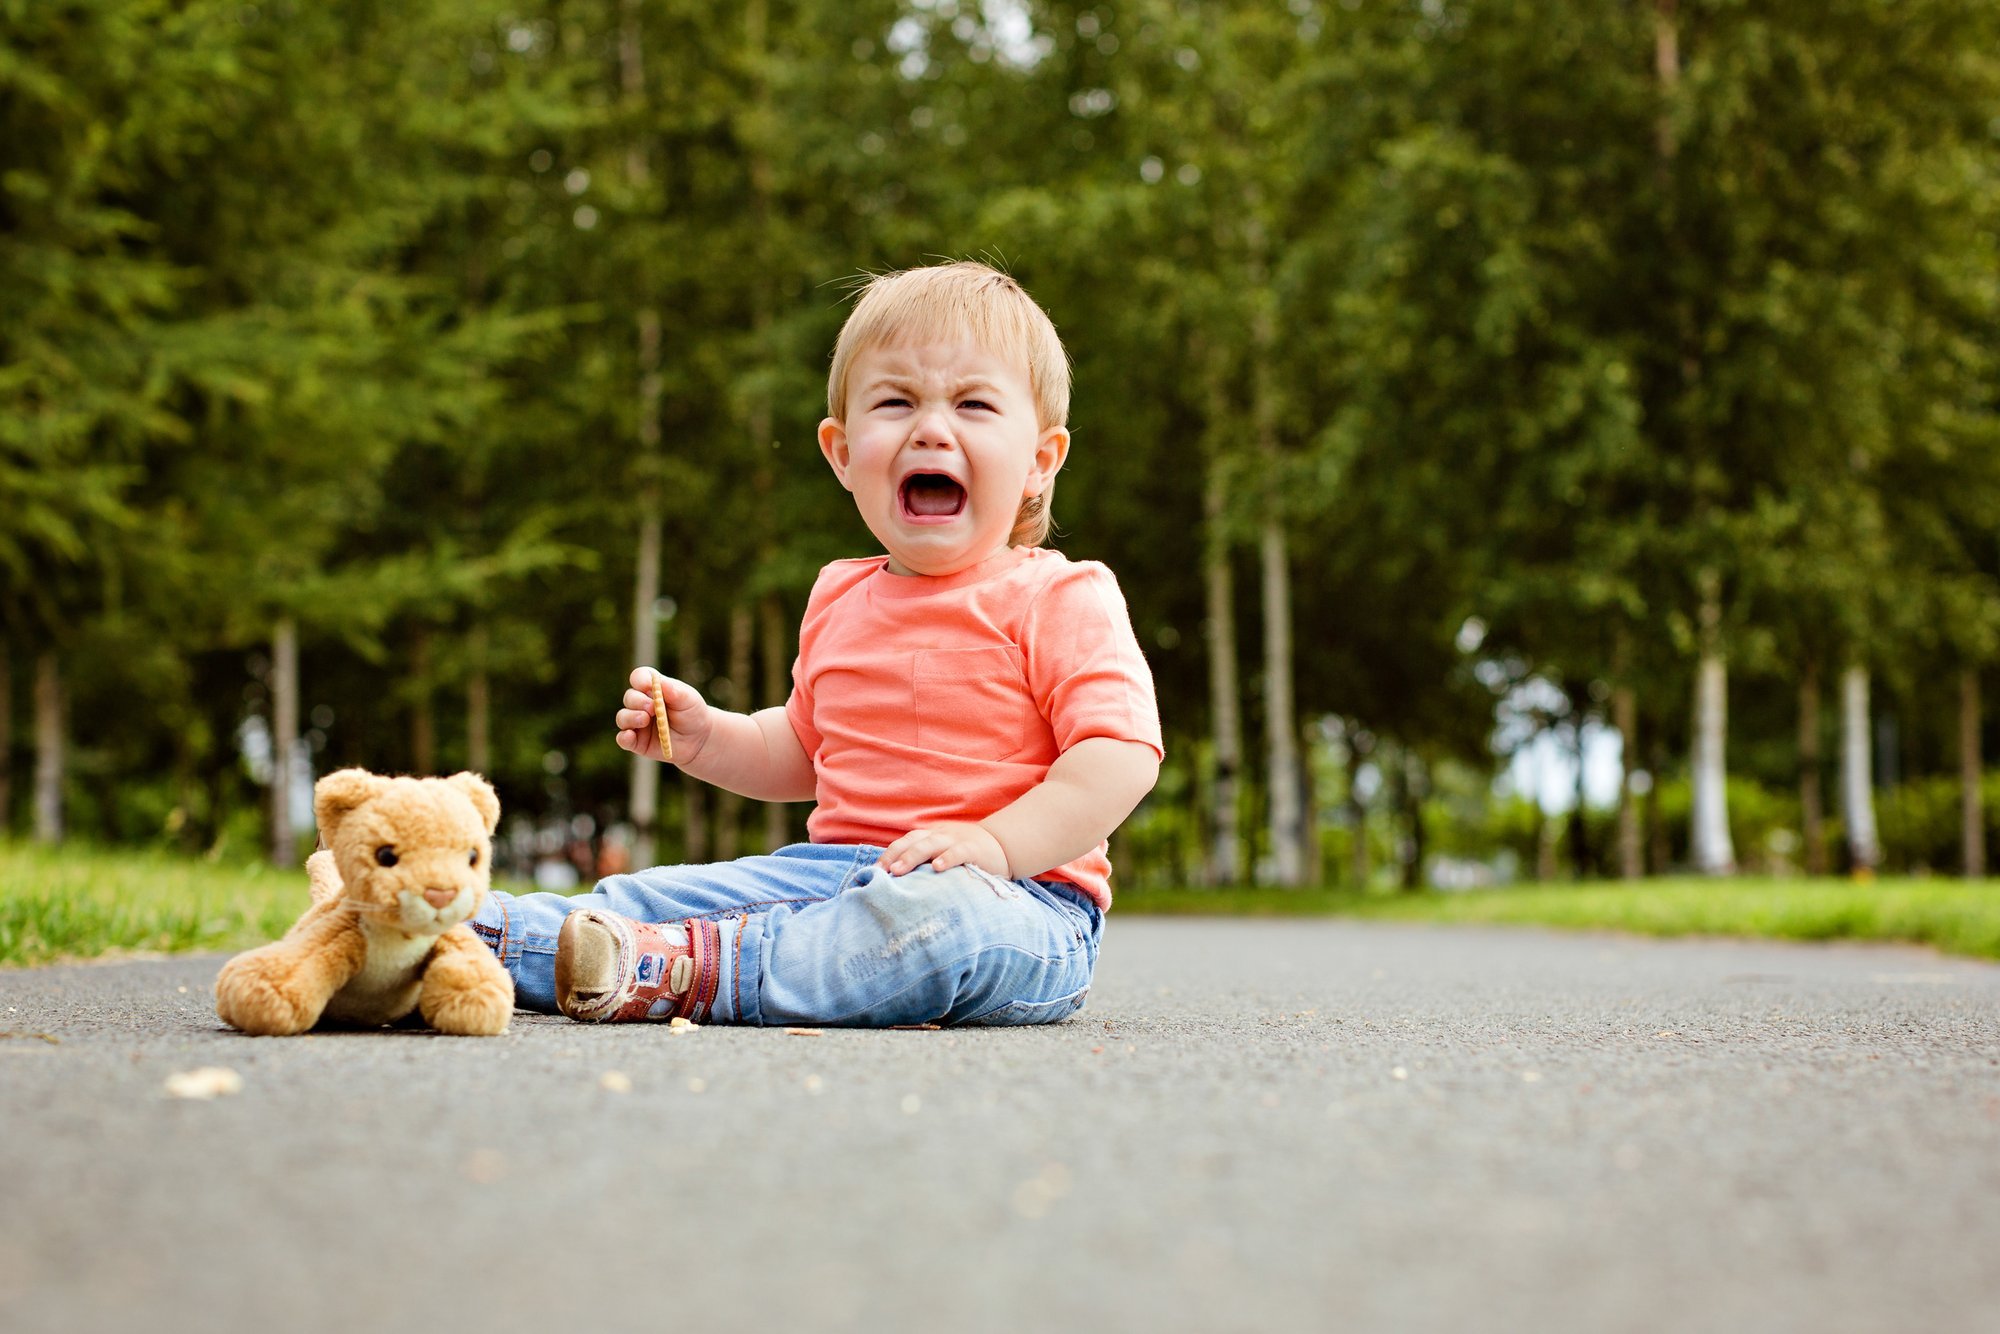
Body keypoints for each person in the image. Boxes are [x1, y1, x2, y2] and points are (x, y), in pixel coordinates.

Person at [470, 260, 1163, 1027]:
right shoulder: (838, 595)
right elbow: (802, 749)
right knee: (649, 894)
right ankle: (449, 939)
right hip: (826, 876)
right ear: (840, 452)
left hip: (1019, 902)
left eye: (972, 404)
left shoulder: (1060, 595)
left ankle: (690, 969)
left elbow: (1119, 755)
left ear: (1039, 461)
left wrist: (997, 844)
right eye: (896, 401)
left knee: (942, 925)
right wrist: (708, 739)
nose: (932, 427)